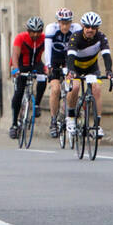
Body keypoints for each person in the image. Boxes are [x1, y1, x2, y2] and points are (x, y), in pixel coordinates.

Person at [65, 12, 113, 138]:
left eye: (93, 28)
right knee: (75, 87)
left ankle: (97, 125)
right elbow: (70, 56)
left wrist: (109, 70)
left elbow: (106, 55)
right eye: (87, 27)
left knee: (96, 90)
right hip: (74, 67)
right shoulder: (75, 37)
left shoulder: (101, 37)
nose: (90, 30)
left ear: (97, 28)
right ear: (83, 26)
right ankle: (70, 117)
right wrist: (70, 71)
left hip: (91, 68)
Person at [8, 16, 48, 140]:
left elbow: (49, 55)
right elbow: (15, 54)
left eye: (38, 32)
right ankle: (14, 124)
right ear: (28, 30)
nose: (35, 34)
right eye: (32, 31)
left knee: (43, 78)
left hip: (36, 64)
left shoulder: (44, 38)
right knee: (19, 93)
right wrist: (15, 69)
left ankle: (37, 104)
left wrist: (48, 67)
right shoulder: (21, 38)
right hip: (21, 65)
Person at [42, 8, 75, 137]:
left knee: (72, 88)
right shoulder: (51, 29)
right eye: (62, 23)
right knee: (55, 89)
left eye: (67, 23)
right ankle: (53, 120)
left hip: (69, 60)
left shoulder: (76, 29)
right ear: (58, 22)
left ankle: (65, 111)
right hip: (55, 61)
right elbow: (48, 48)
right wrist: (48, 65)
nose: (65, 26)